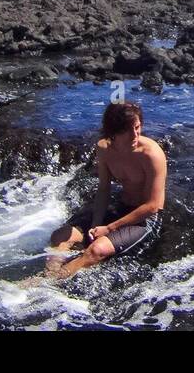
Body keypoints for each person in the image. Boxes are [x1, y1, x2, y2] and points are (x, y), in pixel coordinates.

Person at [43, 100, 166, 279]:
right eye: (127, 130)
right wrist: (95, 224)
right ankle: (50, 274)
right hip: (121, 206)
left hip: (145, 218)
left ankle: (49, 283)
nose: (135, 135)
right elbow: (103, 190)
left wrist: (108, 229)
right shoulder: (104, 149)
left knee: (97, 249)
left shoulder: (151, 155)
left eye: (138, 127)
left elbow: (153, 206)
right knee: (60, 236)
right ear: (113, 131)